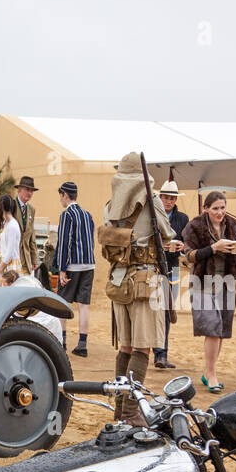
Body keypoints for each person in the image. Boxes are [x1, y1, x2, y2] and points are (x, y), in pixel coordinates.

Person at [99, 152, 185, 426]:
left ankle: (120, 408)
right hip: (145, 282)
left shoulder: (110, 205)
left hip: (118, 281)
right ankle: (130, 411)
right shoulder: (152, 200)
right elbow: (168, 232)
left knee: (124, 347)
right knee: (142, 349)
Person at [180, 190, 236, 393]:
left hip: (227, 283)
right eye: (215, 208)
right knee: (212, 326)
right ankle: (211, 374)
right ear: (206, 208)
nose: (220, 212)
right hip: (203, 283)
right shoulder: (195, 226)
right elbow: (189, 256)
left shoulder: (234, 225)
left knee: (220, 330)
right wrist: (214, 247)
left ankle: (208, 371)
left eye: (222, 208)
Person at [54, 180, 95, 357]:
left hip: (72, 266)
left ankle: (61, 342)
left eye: (60, 196)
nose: (60, 200)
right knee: (83, 305)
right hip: (89, 264)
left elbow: (64, 242)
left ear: (65, 195)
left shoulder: (66, 215)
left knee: (62, 304)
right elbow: (91, 242)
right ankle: (82, 345)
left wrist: (62, 269)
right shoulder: (88, 215)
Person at [154, 180, 190, 369]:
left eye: (171, 198)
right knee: (154, 310)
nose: (168, 201)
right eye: (165, 197)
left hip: (173, 267)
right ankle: (157, 352)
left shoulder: (183, 219)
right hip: (154, 268)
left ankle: (162, 354)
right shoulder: (152, 216)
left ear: (175, 200)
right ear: (160, 198)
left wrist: (182, 247)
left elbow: (187, 242)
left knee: (167, 310)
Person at [0, 193, 21, 288]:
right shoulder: (4, 223)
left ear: (1, 207)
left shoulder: (12, 225)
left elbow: (10, 252)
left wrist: (0, 270)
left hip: (9, 266)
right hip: (3, 263)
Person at [14, 176, 38, 276]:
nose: (30, 193)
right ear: (19, 190)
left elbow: (31, 235)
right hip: (12, 257)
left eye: (32, 191)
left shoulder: (31, 209)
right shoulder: (10, 205)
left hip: (26, 259)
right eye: (27, 190)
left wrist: (34, 258)